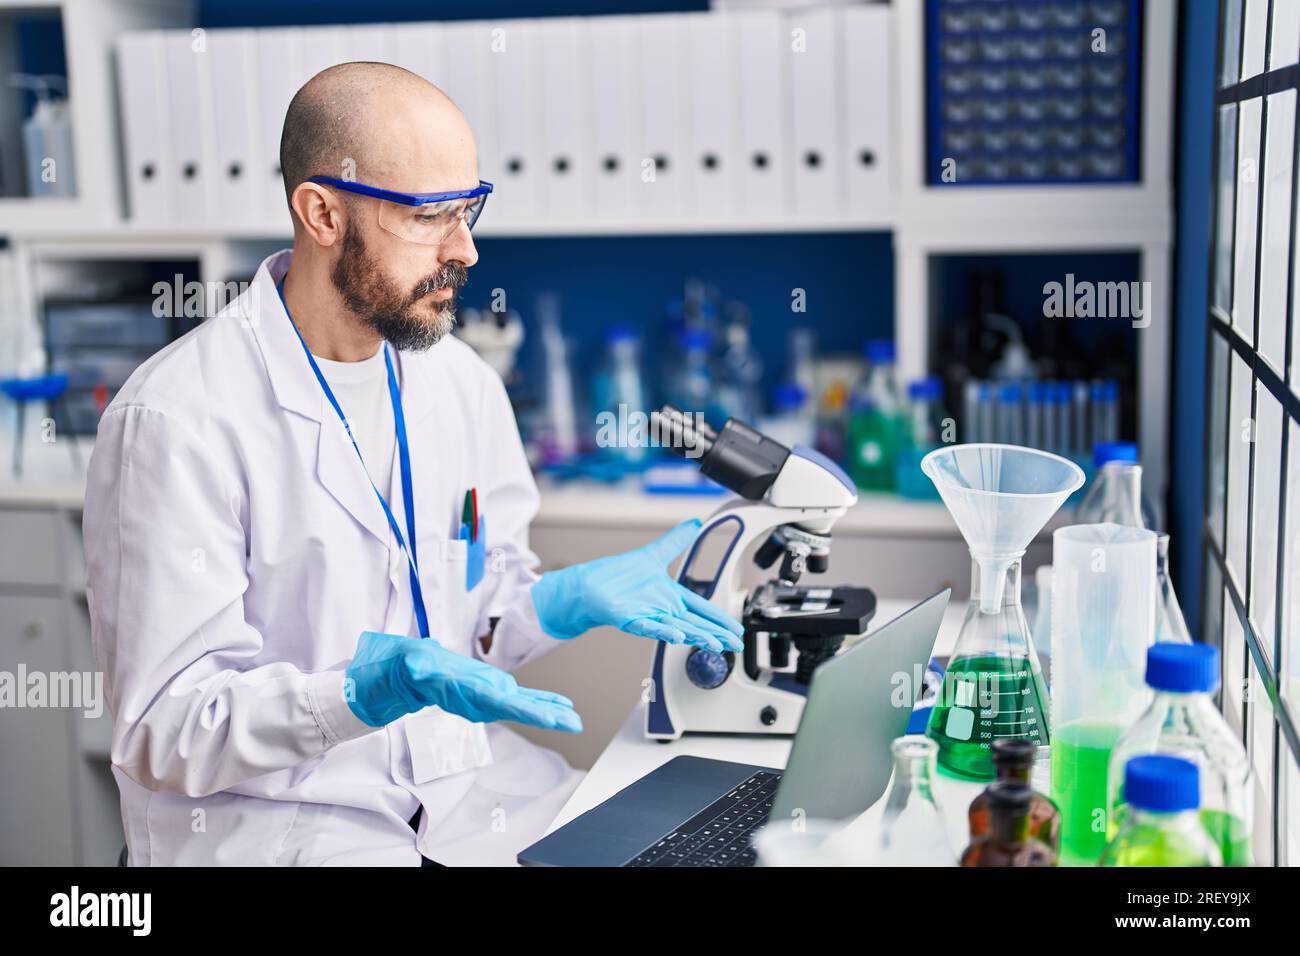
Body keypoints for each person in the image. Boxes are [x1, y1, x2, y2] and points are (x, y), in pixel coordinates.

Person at [82, 62, 742, 866]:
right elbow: (166, 729)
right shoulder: (178, 418)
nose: (465, 249)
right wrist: (357, 695)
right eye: (431, 216)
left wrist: (554, 605)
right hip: (283, 830)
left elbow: (473, 625)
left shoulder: (456, 380)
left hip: (467, 795)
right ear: (321, 212)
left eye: (469, 208)